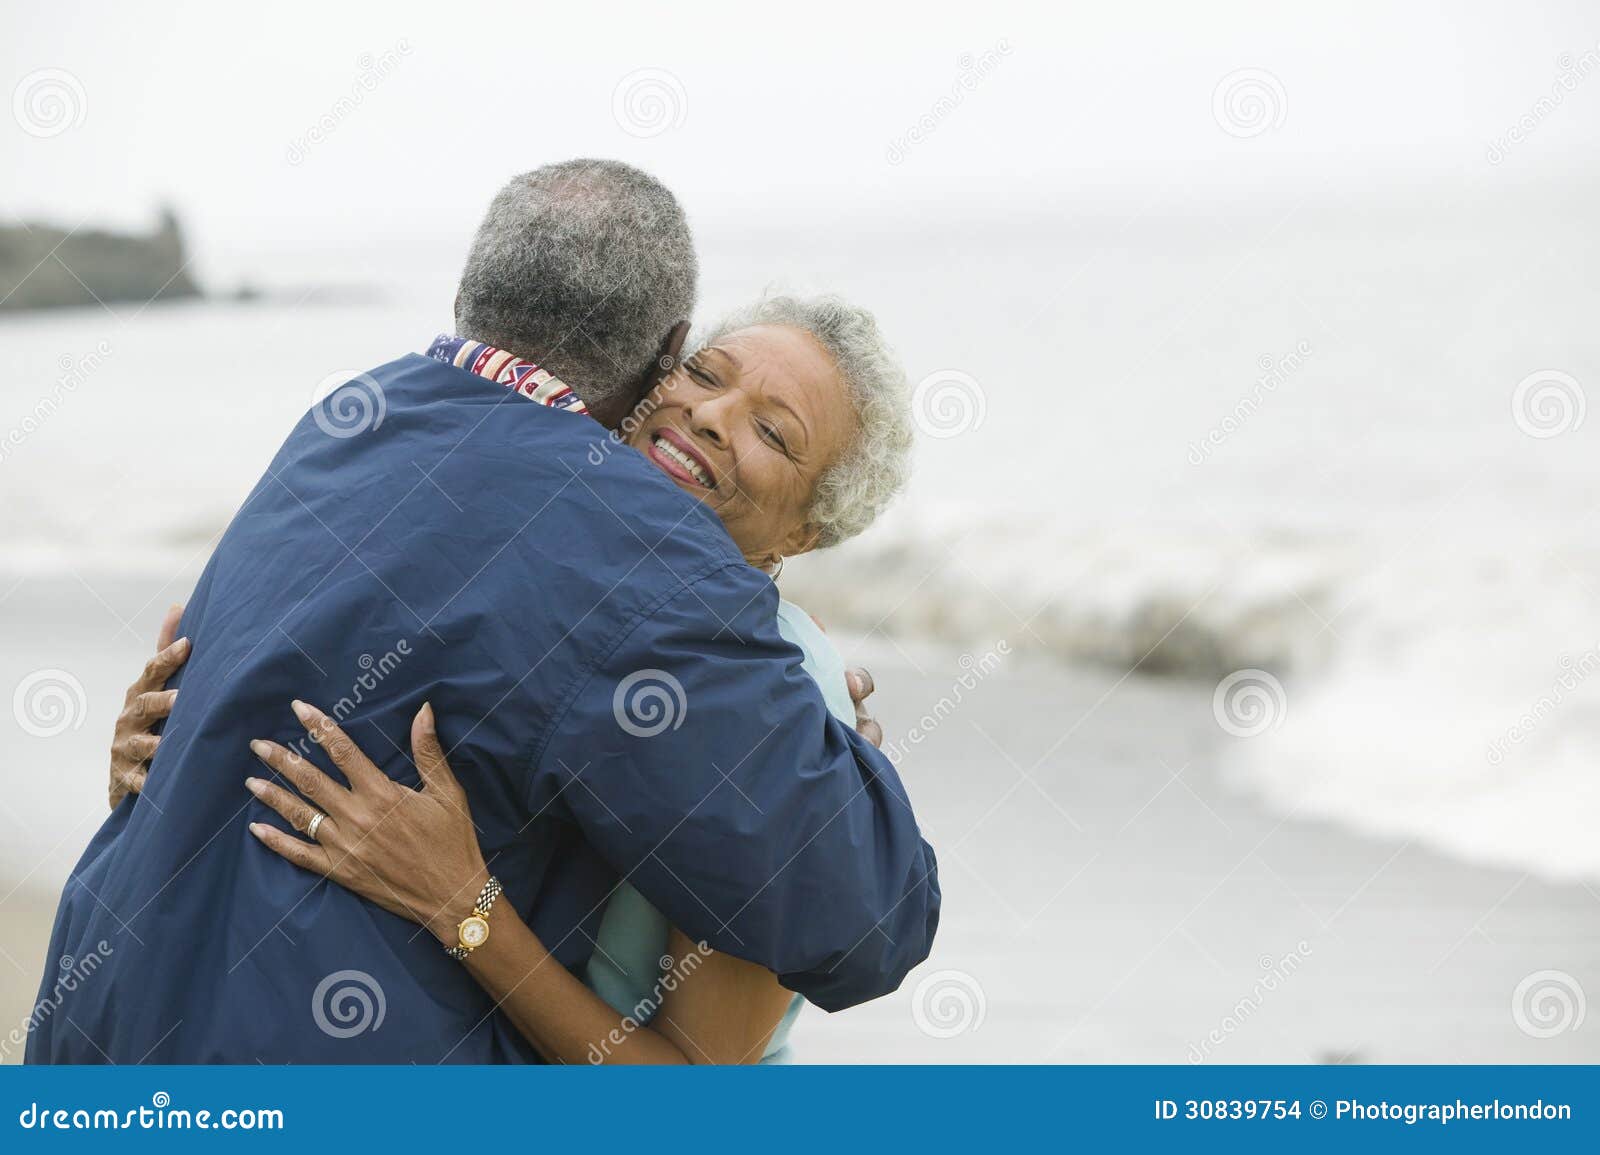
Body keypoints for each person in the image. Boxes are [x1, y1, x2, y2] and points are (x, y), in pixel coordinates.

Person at [29, 160, 938, 1064]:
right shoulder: (640, 565)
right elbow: (869, 917)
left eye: (774, 432)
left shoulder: (354, 422)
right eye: (705, 372)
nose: (708, 415)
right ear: (667, 355)